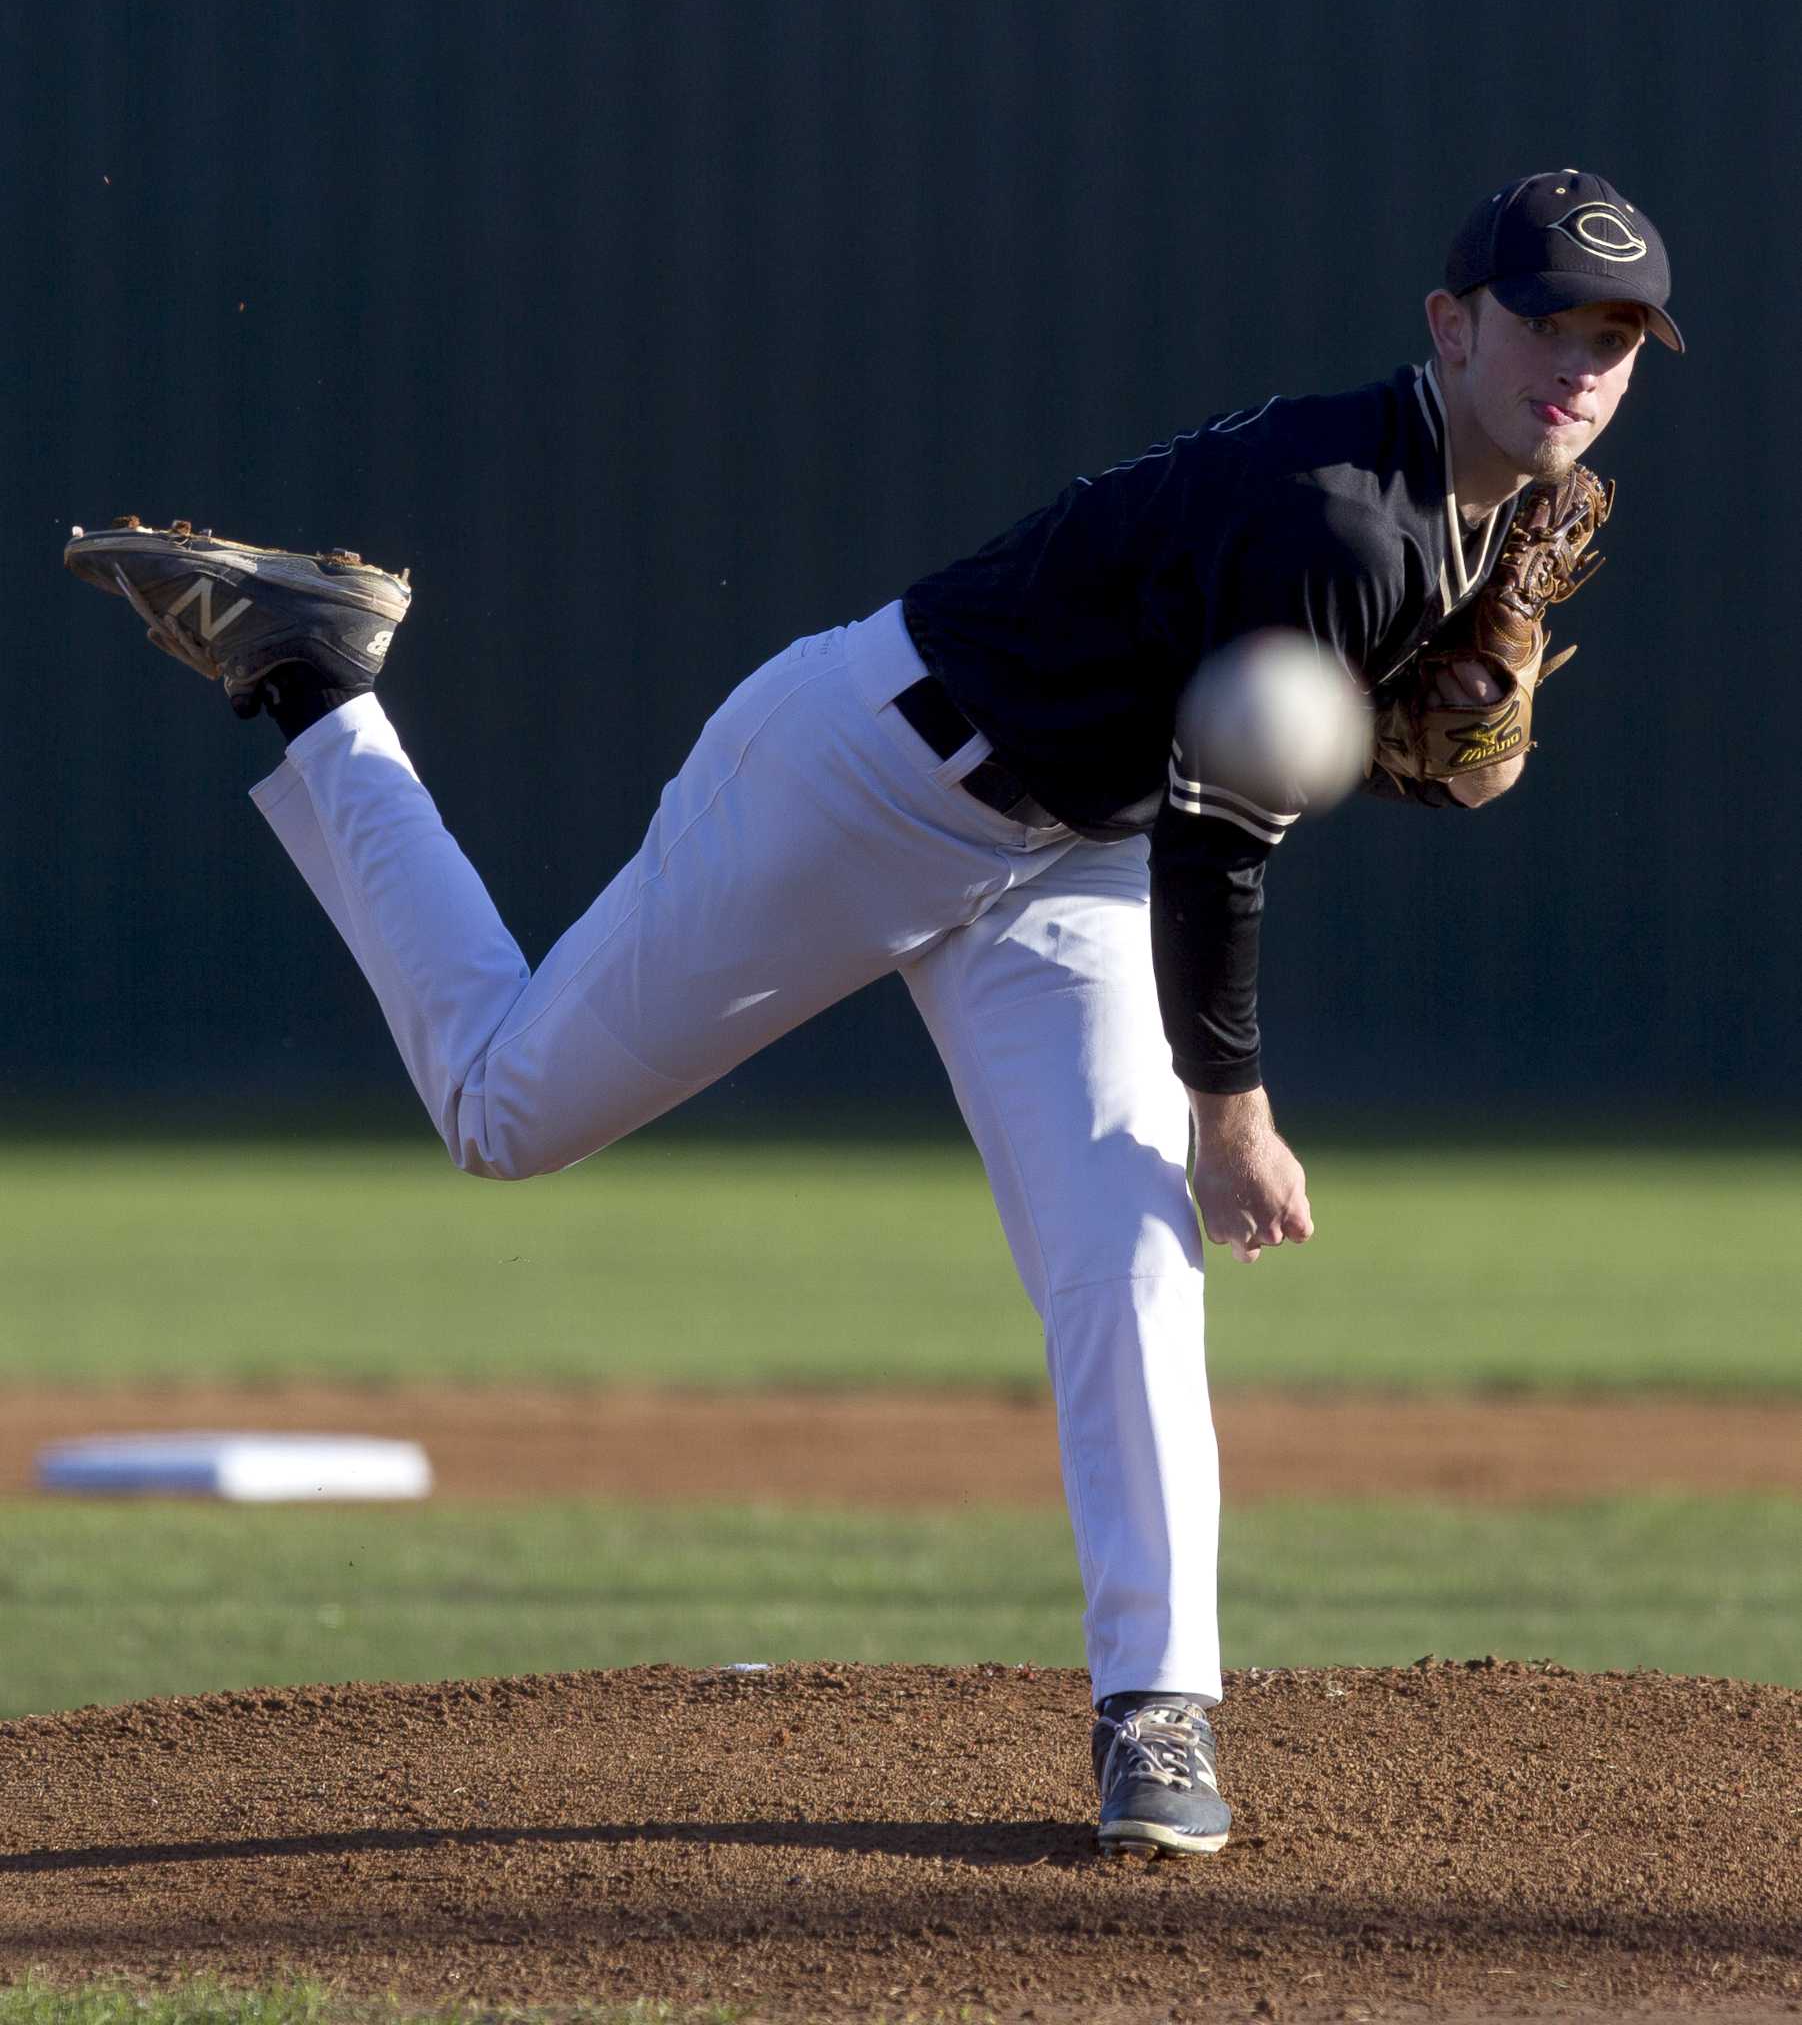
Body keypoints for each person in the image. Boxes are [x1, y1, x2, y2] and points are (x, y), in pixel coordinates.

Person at [64, 168, 1679, 1860]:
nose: (1578, 362)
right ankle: (314, 682)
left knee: (1125, 1251)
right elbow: (1226, 840)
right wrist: (1235, 1107)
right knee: (500, 1114)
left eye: (1615, 337)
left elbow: (1203, 794)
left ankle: (1157, 1709)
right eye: (1544, 320)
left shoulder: (1468, 509)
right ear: (1448, 323)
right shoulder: (1347, 517)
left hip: (1066, 851)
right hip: (866, 776)